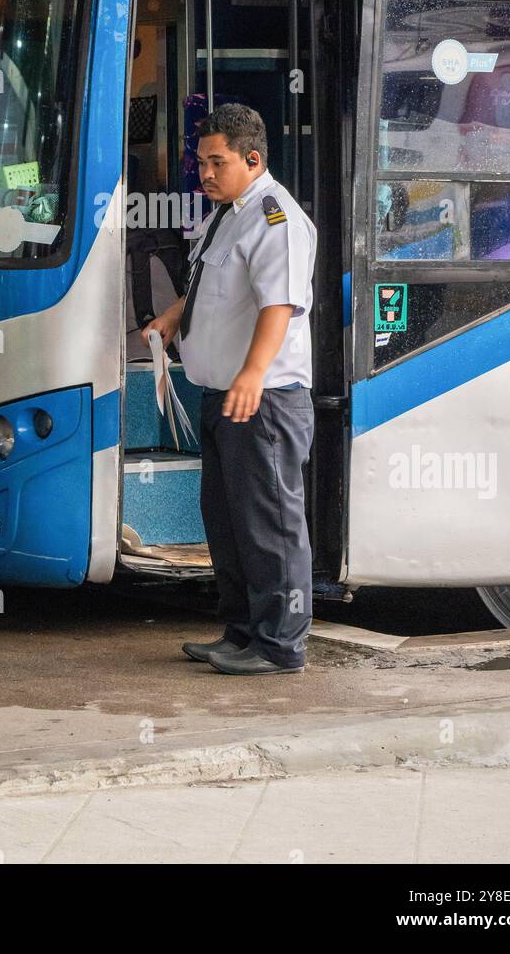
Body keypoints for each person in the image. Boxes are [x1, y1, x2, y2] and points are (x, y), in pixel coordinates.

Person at [142, 103, 317, 676]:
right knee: (228, 521)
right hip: (221, 396)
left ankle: (279, 644)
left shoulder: (275, 217)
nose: (205, 173)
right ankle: (242, 631)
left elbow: (280, 304)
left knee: (269, 524)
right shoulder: (229, 214)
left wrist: (251, 373)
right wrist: (172, 316)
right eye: (201, 162)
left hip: (263, 399)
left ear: (253, 158)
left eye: (217, 162)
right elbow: (208, 287)